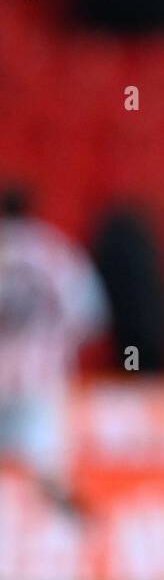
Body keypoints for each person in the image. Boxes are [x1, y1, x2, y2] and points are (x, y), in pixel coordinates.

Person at [0, 186, 109, 515]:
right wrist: (57, 347)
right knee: (47, 471)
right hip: (42, 379)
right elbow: (90, 314)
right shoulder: (55, 252)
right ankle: (72, 532)